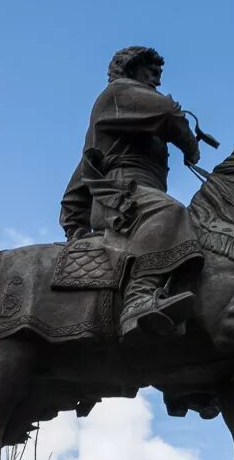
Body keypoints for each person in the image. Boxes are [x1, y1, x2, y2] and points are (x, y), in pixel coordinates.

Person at [59, 46, 203, 341]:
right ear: (130, 68)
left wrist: (74, 219)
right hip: (120, 197)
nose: (157, 80)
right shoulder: (118, 93)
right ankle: (138, 299)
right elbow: (168, 113)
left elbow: (83, 169)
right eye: (151, 71)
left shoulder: (121, 119)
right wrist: (190, 144)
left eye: (159, 74)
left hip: (135, 194)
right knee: (170, 212)